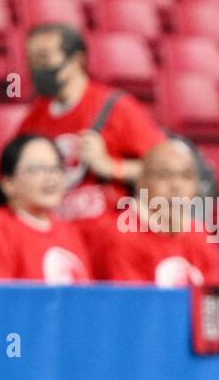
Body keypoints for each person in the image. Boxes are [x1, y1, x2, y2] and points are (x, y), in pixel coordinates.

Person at [16, 24, 166, 230]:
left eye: (44, 58)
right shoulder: (35, 118)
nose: (35, 68)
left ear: (76, 60)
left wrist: (110, 166)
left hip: (108, 238)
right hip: (58, 238)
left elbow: (166, 169)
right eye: (31, 60)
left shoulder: (117, 107)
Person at [85, 139, 219, 286]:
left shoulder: (201, 235)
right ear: (142, 182)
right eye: (164, 175)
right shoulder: (119, 236)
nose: (176, 185)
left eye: (186, 176)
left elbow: (211, 300)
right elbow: (131, 305)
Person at [0, 134, 92, 283]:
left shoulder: (69, 231)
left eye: (56, 168)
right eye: (37, 169)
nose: (51, 177)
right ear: (8, 183)